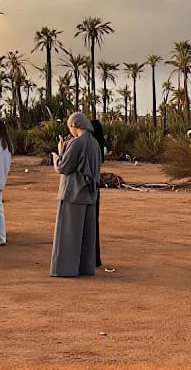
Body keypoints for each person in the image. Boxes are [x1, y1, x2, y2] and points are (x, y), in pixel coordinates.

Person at [50, 112, 102, 277]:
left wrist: (58, 155)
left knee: (68, 233)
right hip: (89, 194)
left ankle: (65, 269)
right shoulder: (94, 143)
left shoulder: (77, 143)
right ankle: (85, 268)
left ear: (74, 125)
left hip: (73, 192)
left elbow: (64, 167)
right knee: (86, 235)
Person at [90, 119, 106, 269]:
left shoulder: (90, 146)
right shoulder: (100, 147)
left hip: (89, 188)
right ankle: (95, 257)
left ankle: (91, 257)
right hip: (96, 187)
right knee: (94, 223)